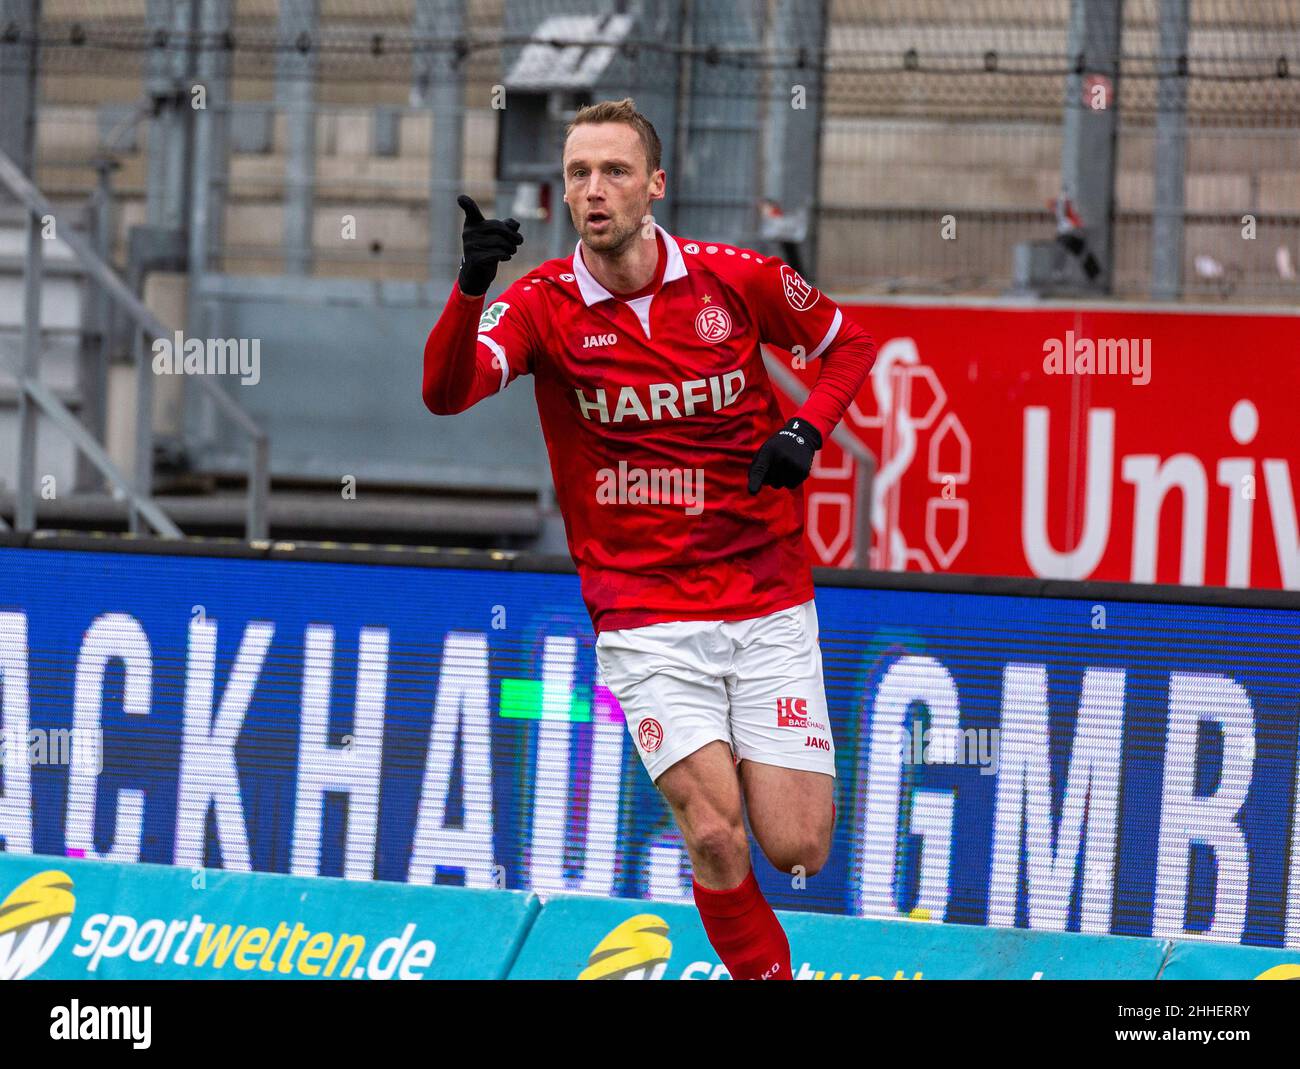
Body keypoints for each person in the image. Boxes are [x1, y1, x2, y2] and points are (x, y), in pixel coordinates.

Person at [422, 97, 876, 980]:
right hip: (643, 608)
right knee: (712, 830)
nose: (595, 191)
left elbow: (847, 343)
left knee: (797, 847)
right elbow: (447, 392)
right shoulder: (540, 306)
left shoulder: (733, 279)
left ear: (655, 185)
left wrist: (807, 429)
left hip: (765, 589)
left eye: (615, 171)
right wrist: (470, 287)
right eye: (579, 175)